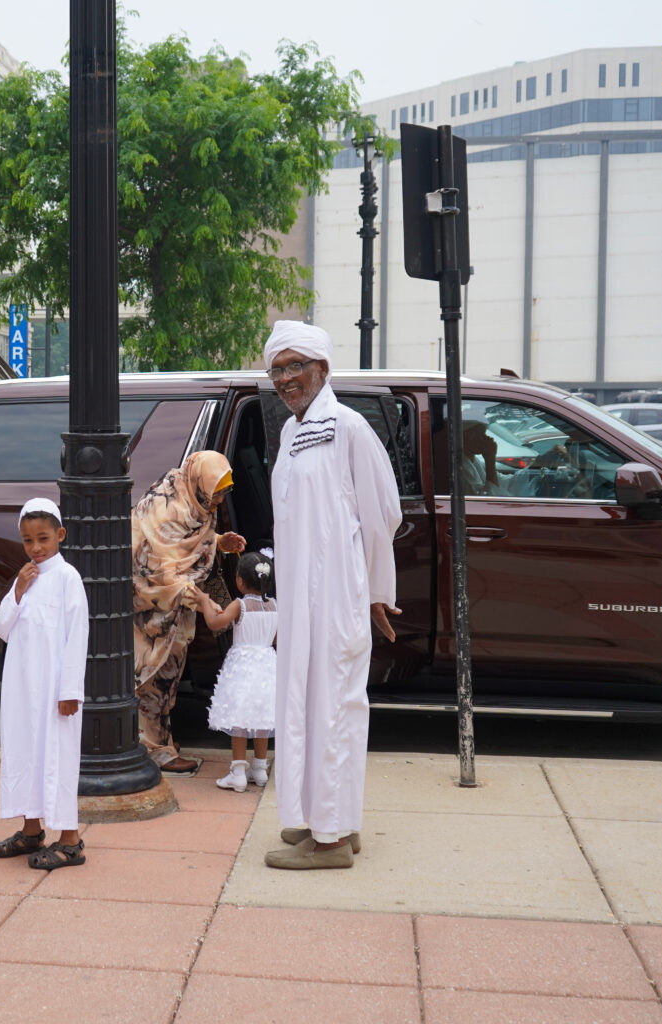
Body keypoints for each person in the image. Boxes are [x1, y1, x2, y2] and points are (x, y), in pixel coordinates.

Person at [263, 321, 402, 870]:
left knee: (335, 707)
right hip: (300, 602)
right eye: (277, 368)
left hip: (338, 595)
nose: (286, 378)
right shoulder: (291, 433)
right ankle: (331, 821)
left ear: (322, 368)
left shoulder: (348, 427)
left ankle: (333, 843)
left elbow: (381, 513)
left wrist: (374, 592)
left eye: (296, 365)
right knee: (305, 707)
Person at [131, 451, 246, 775]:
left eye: (224, 493)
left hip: (176, 610)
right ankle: (154, 751)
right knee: (152, 682)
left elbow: (190, 542)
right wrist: (203, 601)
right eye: (216, 494)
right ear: (199, 486)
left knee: (167, 680)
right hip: (152, 612)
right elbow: (160, 567)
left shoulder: (191, 501)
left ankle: (160, 740)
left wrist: (221, 542)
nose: (220, 502)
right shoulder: (166, 508)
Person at [0, 497, 88, 871]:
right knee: (26, 754)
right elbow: (1, 626)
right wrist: (17, 590)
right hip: (22, 690)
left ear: (60, 536)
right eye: (28, 540)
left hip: (54, 692)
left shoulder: (67, 578)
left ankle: (70, 841)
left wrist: (69, 691)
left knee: (57, 760)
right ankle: (31, 831)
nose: (36, 547)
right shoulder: (27, 577)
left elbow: (77, 636)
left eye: (43, 538)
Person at [196, 549, 278, 794]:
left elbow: (214, 623)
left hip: (243, 666)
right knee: (262, 717)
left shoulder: (240, 605)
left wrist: (203, 602)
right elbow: (276, 639)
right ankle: (260, 769)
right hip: (266, 664)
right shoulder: (275, 605)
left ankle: (239, 773)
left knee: (240, 720)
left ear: (240, 581)